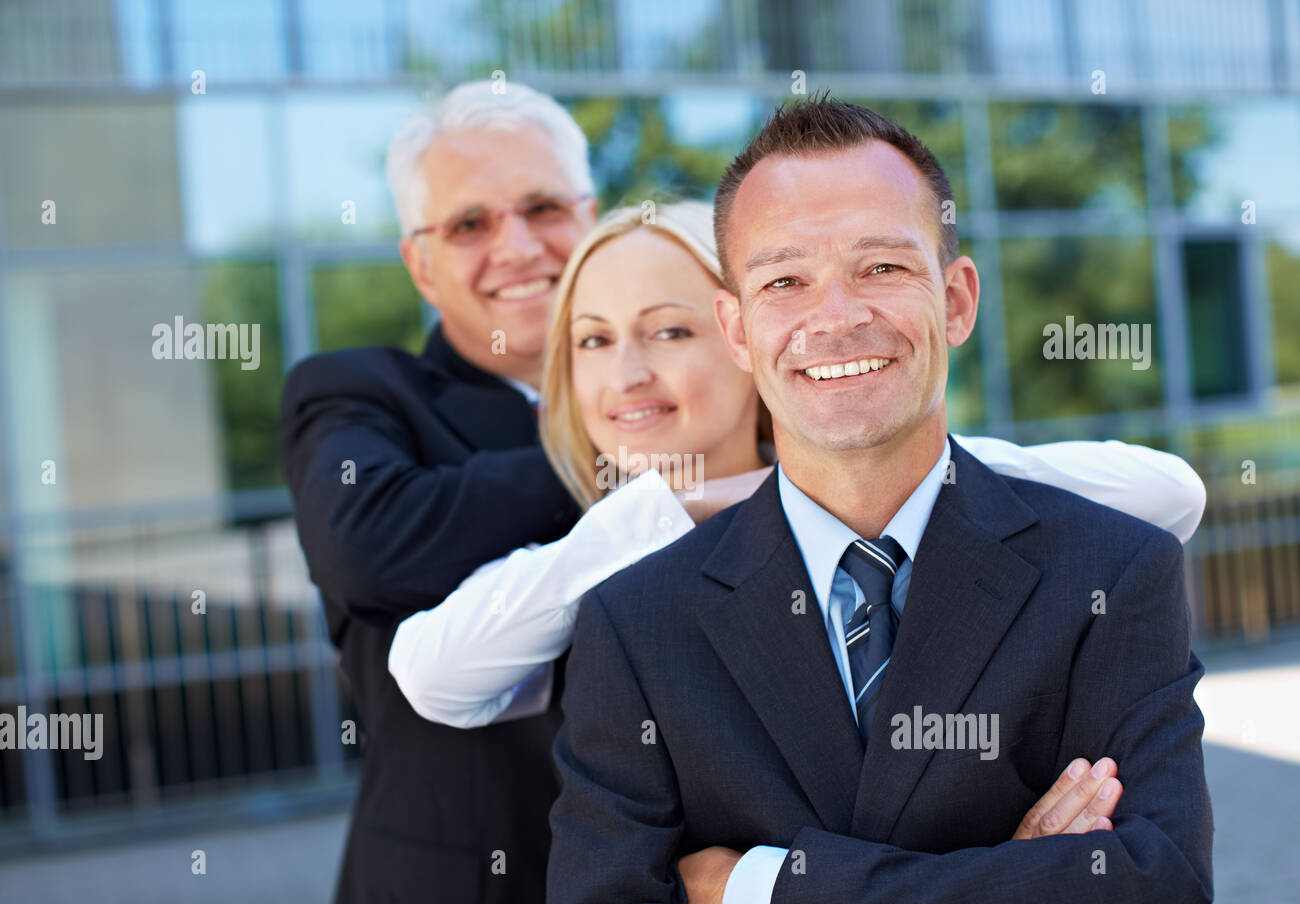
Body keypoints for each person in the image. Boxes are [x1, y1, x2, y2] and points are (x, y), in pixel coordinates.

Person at [543, 96, 1214, 904]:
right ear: (737, 328)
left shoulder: (1114, 575)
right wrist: (1005, 893)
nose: (836, 317)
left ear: (958, 299)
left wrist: (763, 901)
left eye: (882, 268)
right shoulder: (634, 624)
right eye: (785, 280)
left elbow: (1154, 900)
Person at [388, 200, 1206, 733]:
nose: (625, 373)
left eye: (670, 331)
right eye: (593, 340)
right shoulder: (586, 567)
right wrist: (673, 512)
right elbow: (434, 677)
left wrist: (885, 467)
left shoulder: (889, 530)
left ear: (749, 333)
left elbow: (1167, 493)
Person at [279, 79, 603, 904]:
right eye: (470, 224)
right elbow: (371, 543)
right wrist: (632, 464)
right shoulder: (358, 392)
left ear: (592, 215)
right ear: (421, 262)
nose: (519, 244)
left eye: (542, 206)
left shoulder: (693, 382)